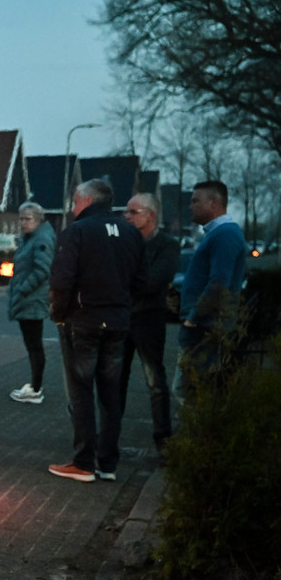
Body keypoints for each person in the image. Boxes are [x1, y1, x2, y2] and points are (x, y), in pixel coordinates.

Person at [47, 179, 145, 482]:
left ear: (85, 200)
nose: (73, 208)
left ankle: (83, 462)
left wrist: (59, 313)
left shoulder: (77, 231)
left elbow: (61, 279)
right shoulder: (131, 232)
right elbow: (141, 281)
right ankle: (108, 463)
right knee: (110, 393)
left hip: (84, 320)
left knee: (81, 391)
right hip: (118, 322)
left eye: (75, 202)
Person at [174, 180, 248, 404]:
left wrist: (193, 319)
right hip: (204, 327)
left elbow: (218, 284)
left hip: (205, 329)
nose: (190, 206)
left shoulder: (224, 235)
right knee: (192, 389)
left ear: (214, 202)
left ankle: (195, 437)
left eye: (195, 201)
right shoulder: (218, 234)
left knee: (191, 391)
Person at [121, 193, 178, 453]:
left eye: (133, 212)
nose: (127, 216)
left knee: (155, 380)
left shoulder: (166, 245)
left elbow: (156, 280)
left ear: (150, 216)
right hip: (122, 319)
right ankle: (109, 438)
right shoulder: (124, 242)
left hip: (149, 319)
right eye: (127, 212)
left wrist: (127, 283)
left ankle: (163, 439)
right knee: (114, 381)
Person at [8, 202, 56, 404]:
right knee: (32, 344)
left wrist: (23, 289)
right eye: (21, 218)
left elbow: (42, 270)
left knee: (34, 344)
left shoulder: (41, 239)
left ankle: (36, 388)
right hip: (28, 299)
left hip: (32, 300)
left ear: (38, 220)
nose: (22, 223)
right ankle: (35, 385)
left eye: (27, 219)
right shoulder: (30, 239)